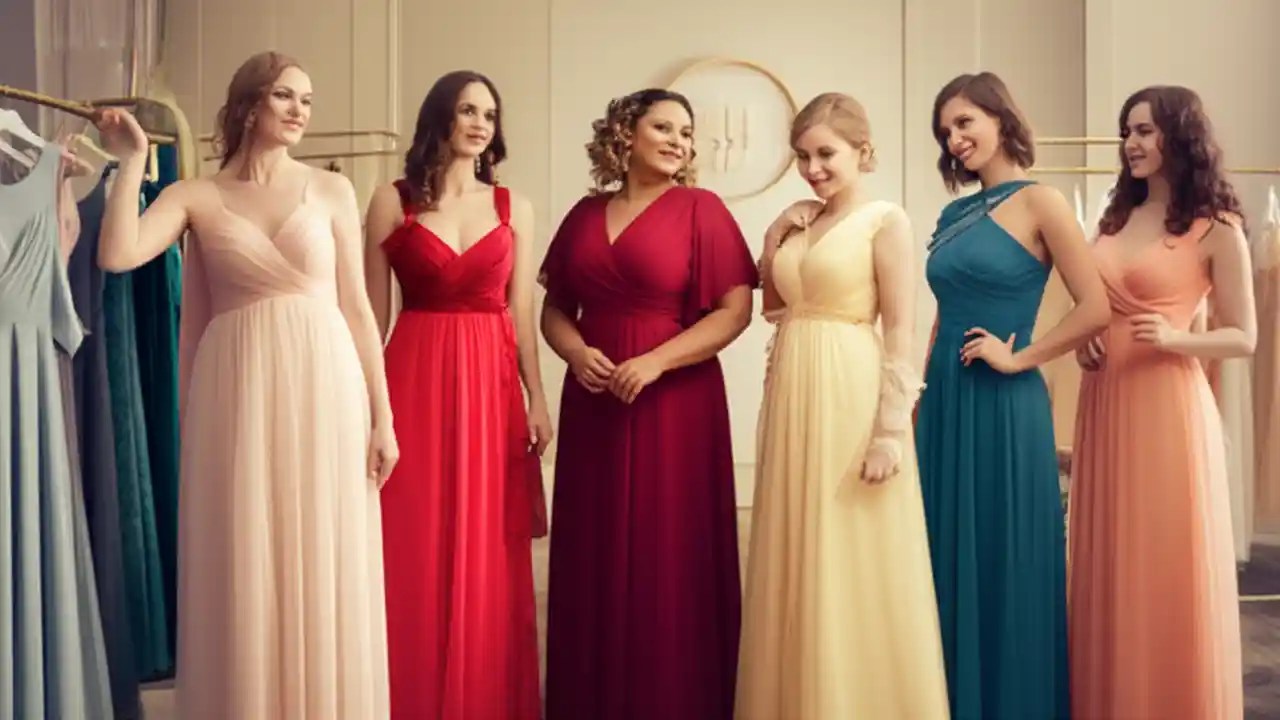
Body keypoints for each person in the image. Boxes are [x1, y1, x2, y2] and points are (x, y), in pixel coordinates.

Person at [94, 50, 395, 719]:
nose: (299, 111)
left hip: (327, 389)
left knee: (324, 552)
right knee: (246, 557)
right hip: (236, 396)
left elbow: (357, 309)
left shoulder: (331, 190)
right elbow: (117, 254)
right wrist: (132, 160)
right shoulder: (195, 196)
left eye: (307, 100)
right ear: (249, 104)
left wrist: (383, 416)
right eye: (285, 96)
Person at [538, 88, 756, 720]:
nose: (678, 142)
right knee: (594, 549)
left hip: (675, 403)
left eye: (686, 134)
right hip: (595, 400)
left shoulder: (701, 209)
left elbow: (735, 311)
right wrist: (576, 353)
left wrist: (657, 362)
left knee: (669, 551)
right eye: (664, 127)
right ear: (625, 133)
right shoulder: (584, 214)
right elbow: (554, 309)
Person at [735, 92, 950, 719]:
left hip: (850, 391)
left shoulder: (886, 220)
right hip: (792, 387)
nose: (813, 168)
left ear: (863, 150)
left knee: (849, 547)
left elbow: (902, 329)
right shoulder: (802, 222)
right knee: (795, 547)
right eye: (803, 156)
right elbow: (775, 308)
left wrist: (890, 431)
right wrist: (775, 234)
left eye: (825, 154)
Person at [915, 71, 1110, 719]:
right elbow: (942, 315)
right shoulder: (953, 213)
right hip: (945, 400)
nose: (955, 138)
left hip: (1004, 403)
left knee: (1004, 556)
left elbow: (1096, 307)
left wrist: (1021, 356)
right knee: (942, 551)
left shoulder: (1042, 202)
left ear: (1001, 118)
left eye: (965, 121)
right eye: (945, 130)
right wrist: (917, 393)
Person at [364, 69, 549, 720]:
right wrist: (369, 407)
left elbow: (521, 312)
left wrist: (536, 396)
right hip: (413, 374)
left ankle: (483, 695)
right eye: (468, 110)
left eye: (489, 115)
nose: (479, 124)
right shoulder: (391, 202)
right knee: (409, 537)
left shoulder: (514, 207)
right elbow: (370, 317)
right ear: (439, 117)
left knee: (488, 541)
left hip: (492, 384)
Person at [1069, 85, 1252, 720]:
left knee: (1163, 558)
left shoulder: (1217, 228)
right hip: (1105, 398)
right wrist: (1083, 341)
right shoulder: (1113, 219)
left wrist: (1178, 339)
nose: (1131, 143)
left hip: (1168, 407)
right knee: (1111, 560)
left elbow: (1245, 336)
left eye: (1145, 130)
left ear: (1180, 136)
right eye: (1127, 131)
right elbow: (1091, 305)